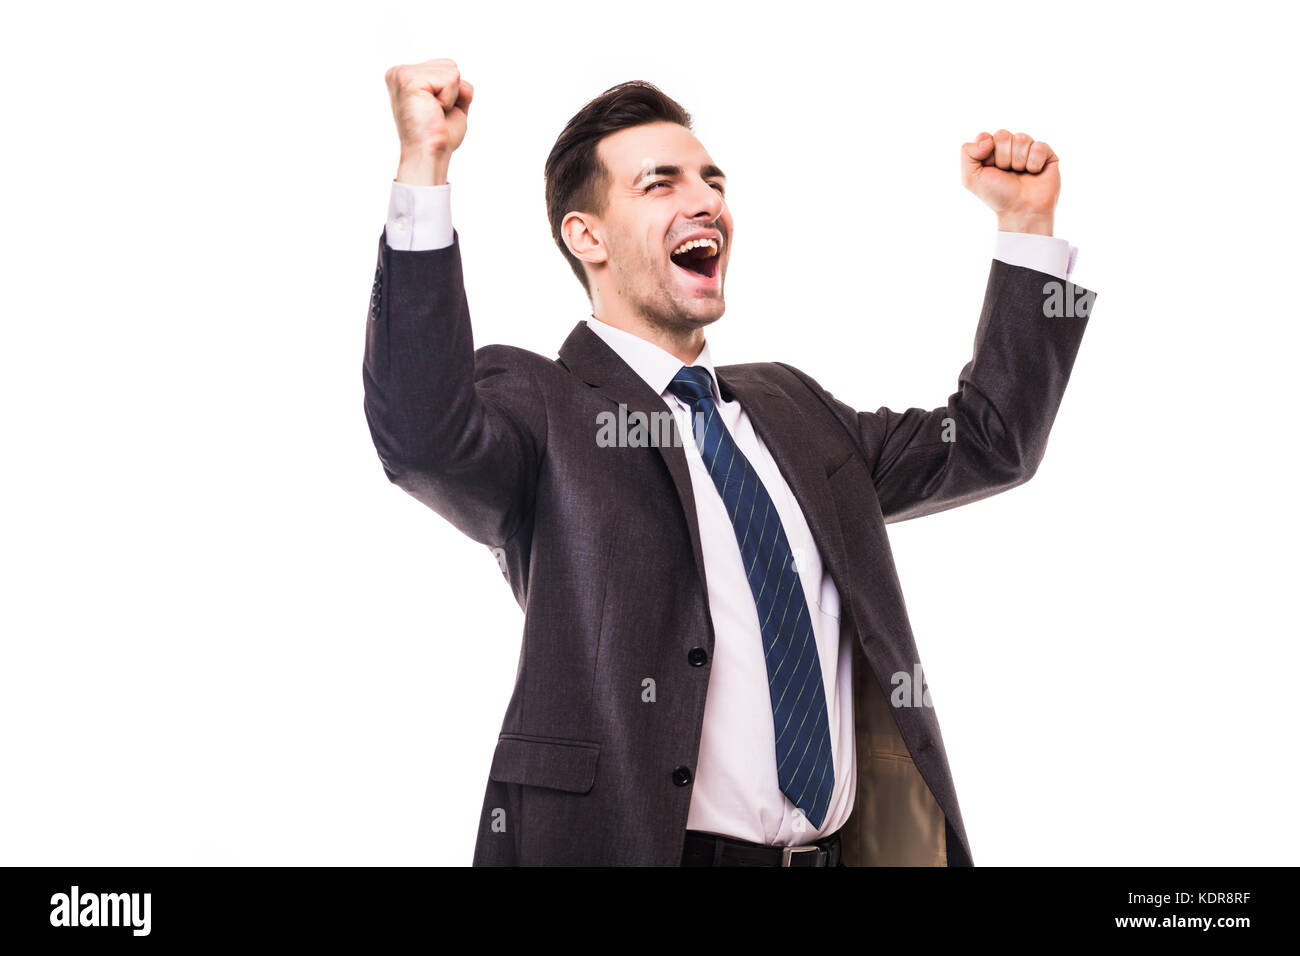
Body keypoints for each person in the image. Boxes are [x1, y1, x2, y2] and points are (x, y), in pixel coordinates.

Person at [363, 58, 1095, 866]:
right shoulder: (545, 405)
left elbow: (992, 441)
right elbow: (422, 438)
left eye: (712, 181)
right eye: (661, 184)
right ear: (587, 235)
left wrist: (1027, 228)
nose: (705, 200)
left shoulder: (793, 410)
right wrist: (424, 169)